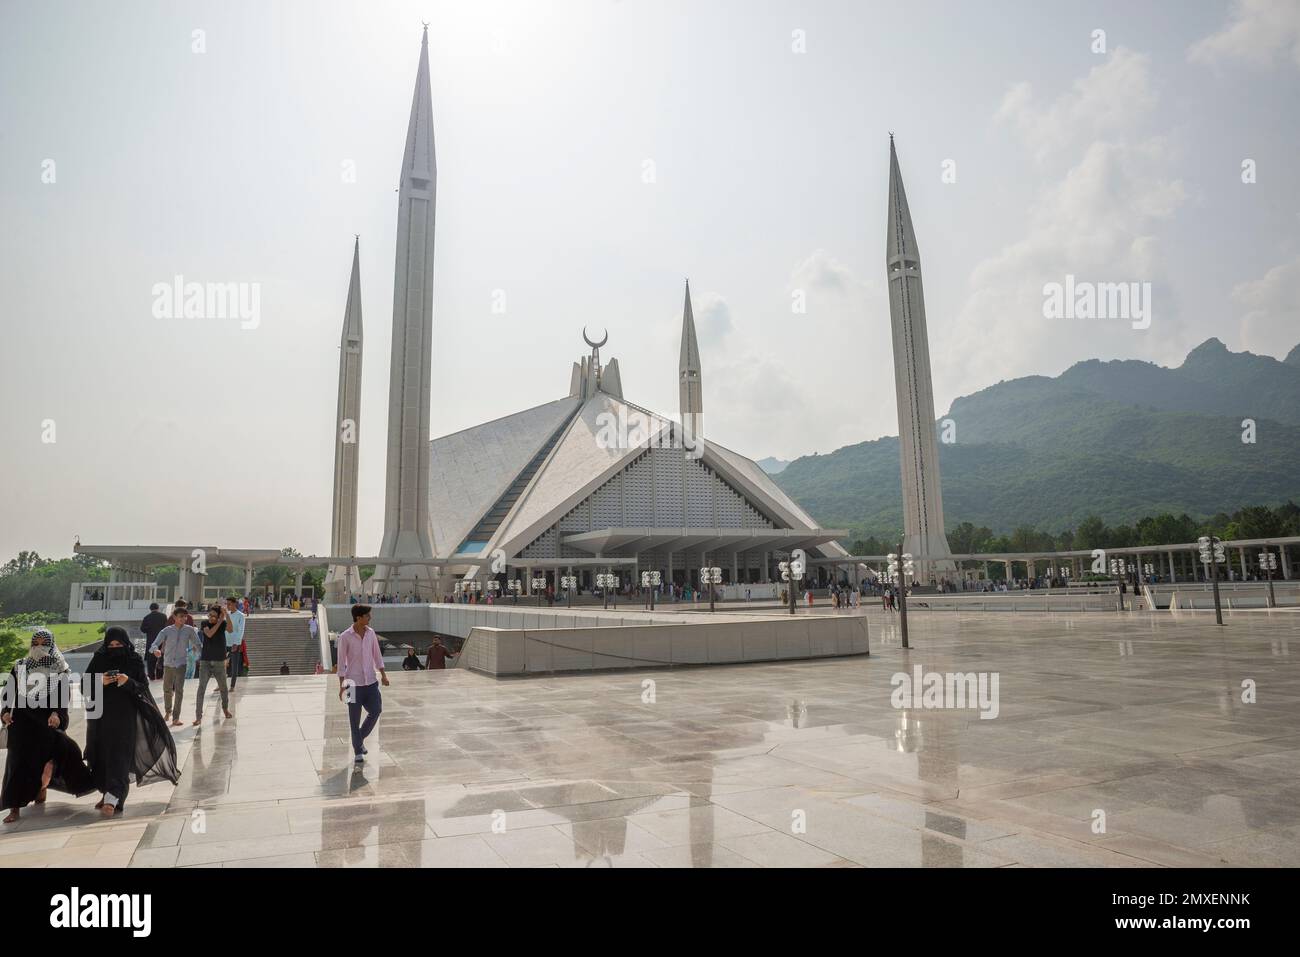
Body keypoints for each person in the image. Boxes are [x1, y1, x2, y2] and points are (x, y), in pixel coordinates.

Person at [83, 627, 179, 817]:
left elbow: (143, 686)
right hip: (100, 718)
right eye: (111, 645)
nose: (114, 648)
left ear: (126, 644)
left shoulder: (133, 660)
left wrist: (127, 681)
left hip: (125, 717)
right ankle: (107, 793)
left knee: (120, 756)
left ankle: (113, 798)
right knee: (101, 756)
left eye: (119, 644)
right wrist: (99, 681)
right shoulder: (99, 659)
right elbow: (84, 687)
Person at [1, 630, 94, 823]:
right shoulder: (20, 666)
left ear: (51, 646)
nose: (39, 647)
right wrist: (5, 712)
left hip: (46, 723)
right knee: (16, 766)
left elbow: (62, 696)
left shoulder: (58, 668)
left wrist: (57, 714)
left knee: (48, 762)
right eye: (36, 643)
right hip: (21, 725)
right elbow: (8, 693)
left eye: (44, 643)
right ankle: (14, 808)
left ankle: (41, 789)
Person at [336, 605, 388, 764]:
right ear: (358, 618)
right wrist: (342, 685)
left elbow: (377, 655)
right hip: (352, 683)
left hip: (371, 681)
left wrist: (384, 675)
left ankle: (358, 739)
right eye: (367, 616)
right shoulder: (345, 636)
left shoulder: (371, 633)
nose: (369, 618)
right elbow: (340, 663)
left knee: (376, 710)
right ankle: (358, 751)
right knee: (354, 718)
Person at [152, 608, 201, 727]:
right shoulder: (167, 631)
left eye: (185, 617)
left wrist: (199, 654)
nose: (183, 619)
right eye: (181, 616)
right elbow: (154, 643)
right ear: (174, 617)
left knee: (179, 691)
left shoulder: (189, 630)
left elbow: (198, 643)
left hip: (181, 664)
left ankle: (176, 717)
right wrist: (156, 650)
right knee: (167, 689)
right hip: (168, 664)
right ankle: (168, 711)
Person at [194, 603, 232, 725]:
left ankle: (225, 709)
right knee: (201, 689)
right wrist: (220, 621)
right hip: (205, 661)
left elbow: (231, 630)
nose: (211, 618)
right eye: (210, 615)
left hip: (219, 661)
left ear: (219, 616)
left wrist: (226, 616)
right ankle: (198, 716)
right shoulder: (205, 624)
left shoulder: (223, 623)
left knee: (223, 688)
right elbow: (209, 634)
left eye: (214, 616)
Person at [139, 603, 168, 681]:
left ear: (150, 609)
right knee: (161, 658)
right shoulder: (163, 616)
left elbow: (142, 629)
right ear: (158, 608)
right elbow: (167, 628)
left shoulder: (147, 617)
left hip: (151, 641)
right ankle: (159, 675)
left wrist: (149, 628)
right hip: (161, 641)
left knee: (150, 660)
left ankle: (151, 676)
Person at [224, 597, 246, 692]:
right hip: (225, 643)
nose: (228, 606)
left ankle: (232, 685)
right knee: (222, 665)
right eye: (227, 604)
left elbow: (240, 631)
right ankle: (220, 684)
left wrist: (236, 643)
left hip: (234, 644)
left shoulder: (240, 615)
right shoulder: (226, 615)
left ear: (234, 604)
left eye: (229, 604)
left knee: (234, 666)